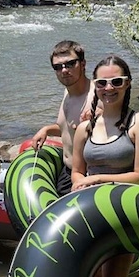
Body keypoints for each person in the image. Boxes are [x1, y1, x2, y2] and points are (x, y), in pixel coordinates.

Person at [71, 55, 139, 277]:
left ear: (127, 83)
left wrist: (97, 180)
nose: (109, 88)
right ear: (95, 86)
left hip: (123, 213)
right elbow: (77, 171)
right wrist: (79, 183)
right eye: (102, 82)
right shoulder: (85, 128)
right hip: (90, 212)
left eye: (116, 81)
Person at [30, 40, 97, 195]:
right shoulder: (67, 92)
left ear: (83, 64)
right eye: (58, 67)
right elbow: (69, 129)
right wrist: (47, 130)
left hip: (86, 178)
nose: (64, 70)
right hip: (67, 172)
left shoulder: (96, 98)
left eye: (70, 64)